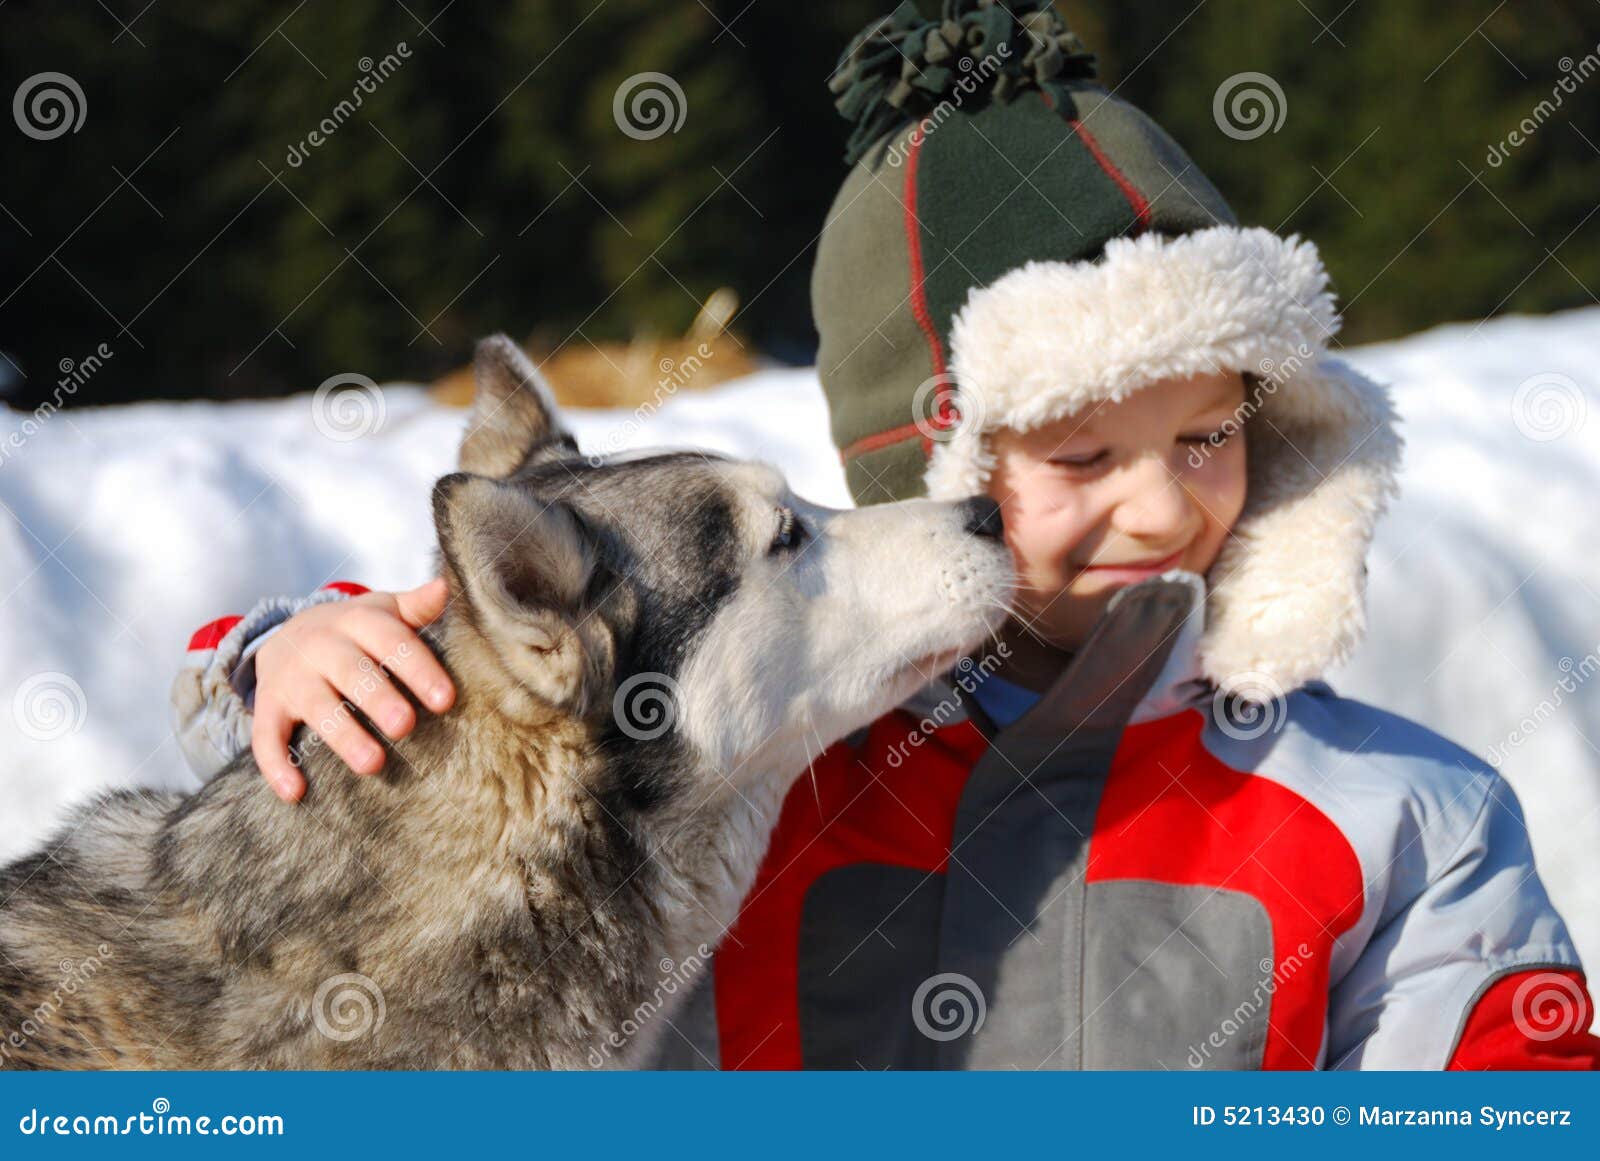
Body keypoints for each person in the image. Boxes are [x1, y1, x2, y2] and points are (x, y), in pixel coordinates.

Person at [173, 1, 1598, 1069]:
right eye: (1083, 453)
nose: (1164, 510)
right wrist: (282, 652)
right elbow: (470, 781)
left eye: (1209, 436)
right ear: (931, 464)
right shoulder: (762, 758)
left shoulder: (1405, 820)